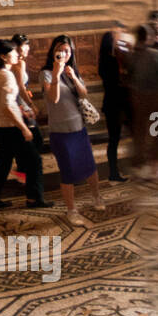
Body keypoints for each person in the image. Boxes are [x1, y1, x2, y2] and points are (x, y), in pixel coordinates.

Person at [38, 36, 99, 223]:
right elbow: (53, 99)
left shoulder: (71, 71)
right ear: (54, 52)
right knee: (68, 171)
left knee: (89, 165)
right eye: (61, 50)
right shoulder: (46, 73)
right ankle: (71, 210)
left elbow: (83, 93)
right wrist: (56, 75)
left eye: (68, 51)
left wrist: (73, 77)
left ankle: (97, 196)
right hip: (60, 131)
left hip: (78, 126)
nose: (64, 54)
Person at [0, 38, 49, 210]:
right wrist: (23, 127)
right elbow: (6, 105)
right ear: (4, 57)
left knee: (4, 163)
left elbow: (3, 102)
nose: (16, 54)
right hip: (11, 128)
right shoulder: (7, 76)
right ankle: (34, 199)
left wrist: (21, 111)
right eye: (13, 52)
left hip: (0, 126)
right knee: (34, 161)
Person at [126, 23, 158, 178]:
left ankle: (138, 165)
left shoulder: (131, 55)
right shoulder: (155, 54)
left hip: (137, 96)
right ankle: (155, 167)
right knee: (156, 130)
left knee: (140, 131)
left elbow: (129, 75)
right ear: (148, 38)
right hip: (155, 97)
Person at [90, 32, 129, 184]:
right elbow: (118, 81)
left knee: (114, 139)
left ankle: (114, 171)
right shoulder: (112, 60)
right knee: (114, 139)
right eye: (115, 40)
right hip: (117, 103)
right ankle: (114, 172)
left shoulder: (103, 61)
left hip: (110, 103)